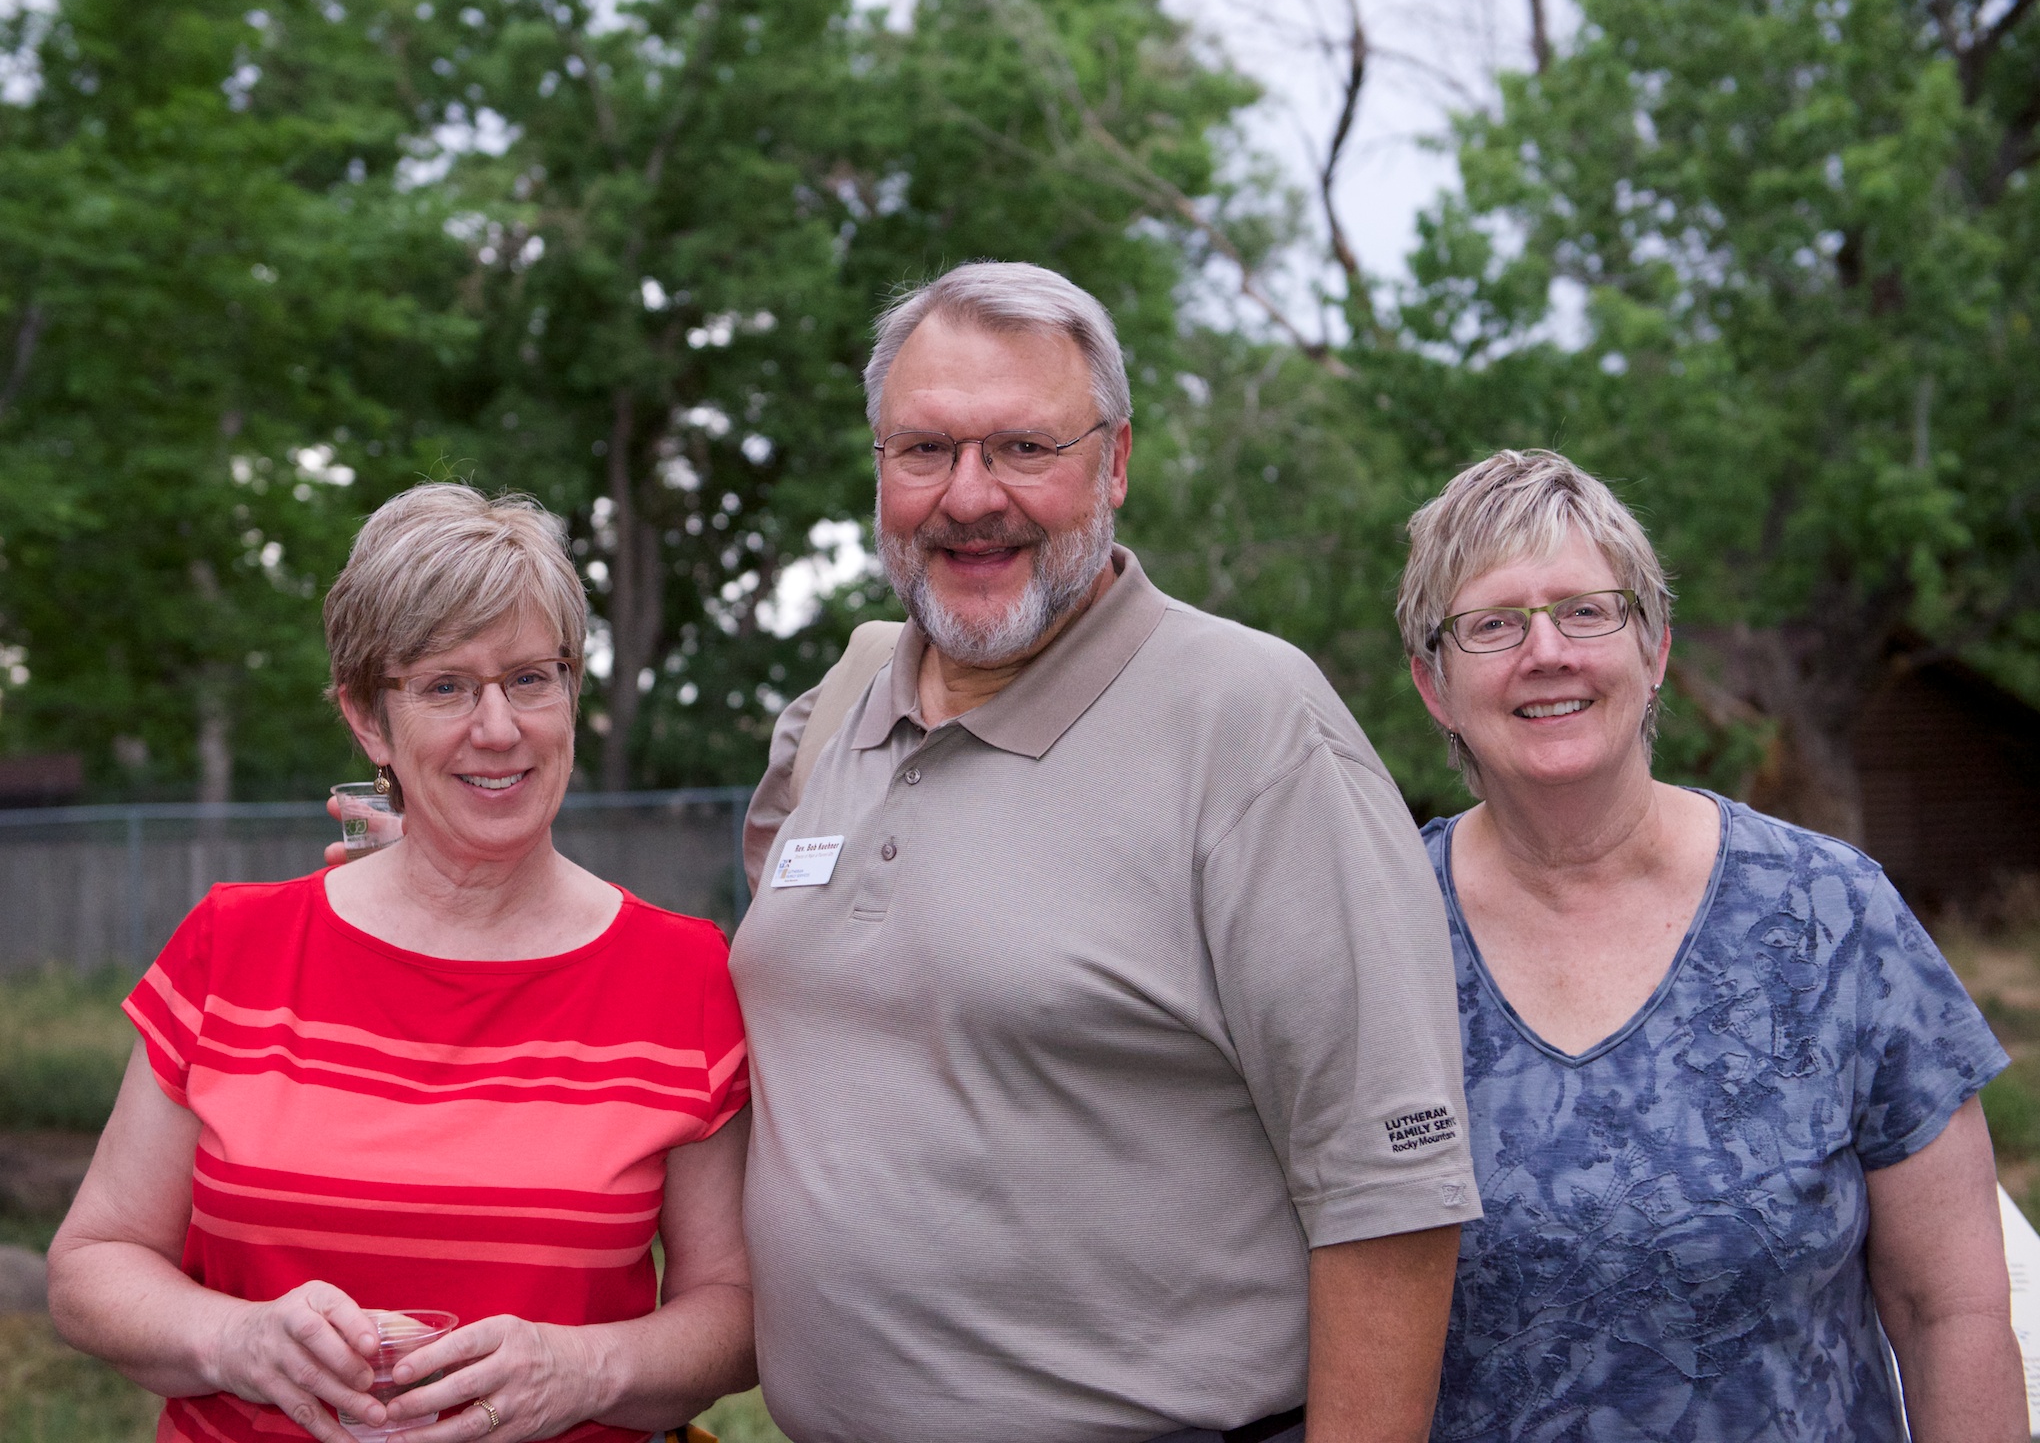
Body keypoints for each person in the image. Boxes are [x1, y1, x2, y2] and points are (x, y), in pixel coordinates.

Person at [732, 261, 1478, 1443]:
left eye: (1026, 448)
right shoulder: (840, 713)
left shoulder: (1252, 722)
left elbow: (1390, 1198)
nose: (970, 497)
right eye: (924, 449)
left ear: (1117, 462)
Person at [48, 484, 754, 1443]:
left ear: (572, 692)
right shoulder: (234, 949)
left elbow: (736, 1312)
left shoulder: (681, 973)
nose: (498, 727)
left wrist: (585, 1367)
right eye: (446, 686)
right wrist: (237, 1340)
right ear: (370, 722)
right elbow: (93, 1265)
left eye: (530, 679)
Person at [1397, 450, 2025, 1442]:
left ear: (1654, 653)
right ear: (1435, 685)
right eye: (1492, 625)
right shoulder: (1378, 931)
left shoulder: (1831, 914)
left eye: (1587, 610)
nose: (1546, 650)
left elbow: (1950, 1311)